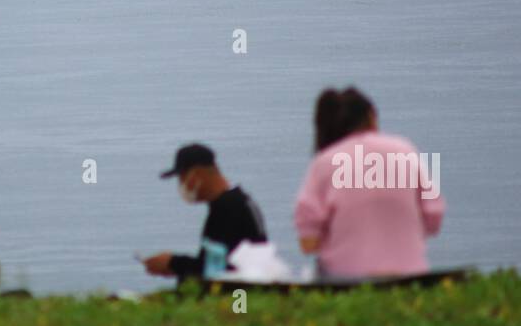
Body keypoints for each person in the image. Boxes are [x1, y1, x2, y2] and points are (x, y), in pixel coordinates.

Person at [293, 87, 445, 278]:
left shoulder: (324, 163)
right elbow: (434, 219)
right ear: (371, 117)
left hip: (346, 281)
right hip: (410, 277)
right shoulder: (406, 151)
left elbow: (308, 243)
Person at [141, 144, 268, 282]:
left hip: (240, 297)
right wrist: (175, 267)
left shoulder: (227, 207)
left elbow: (216, 271)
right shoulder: (239, 200)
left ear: (196, 174)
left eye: (182, 177)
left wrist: (172, 263)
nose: (181, 184)